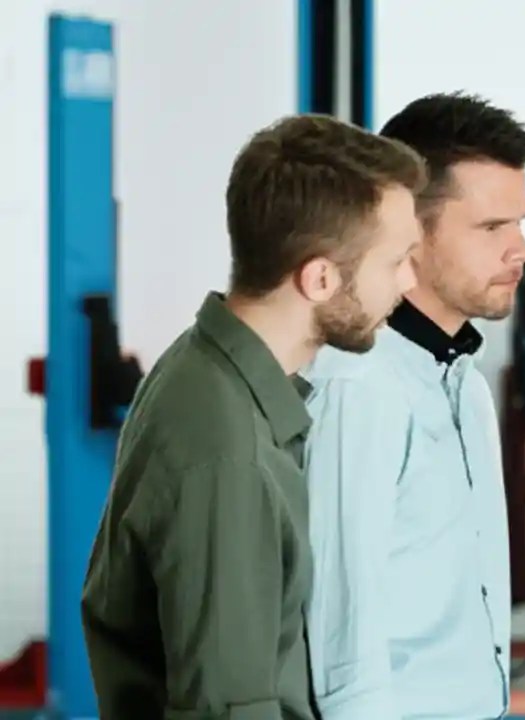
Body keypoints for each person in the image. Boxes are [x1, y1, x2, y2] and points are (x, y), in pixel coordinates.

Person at [80, 114, 426, 720]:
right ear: (320, 278)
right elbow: (228, 710)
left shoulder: (206, 369)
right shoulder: (227, 455)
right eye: (396, 260)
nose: (409, 280)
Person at [300, 92, 525, 719]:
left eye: (520, 222)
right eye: (493, 227)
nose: (523, 249)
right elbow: (340, 641)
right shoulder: (360, 384)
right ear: (411, 232)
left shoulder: (465, 382)